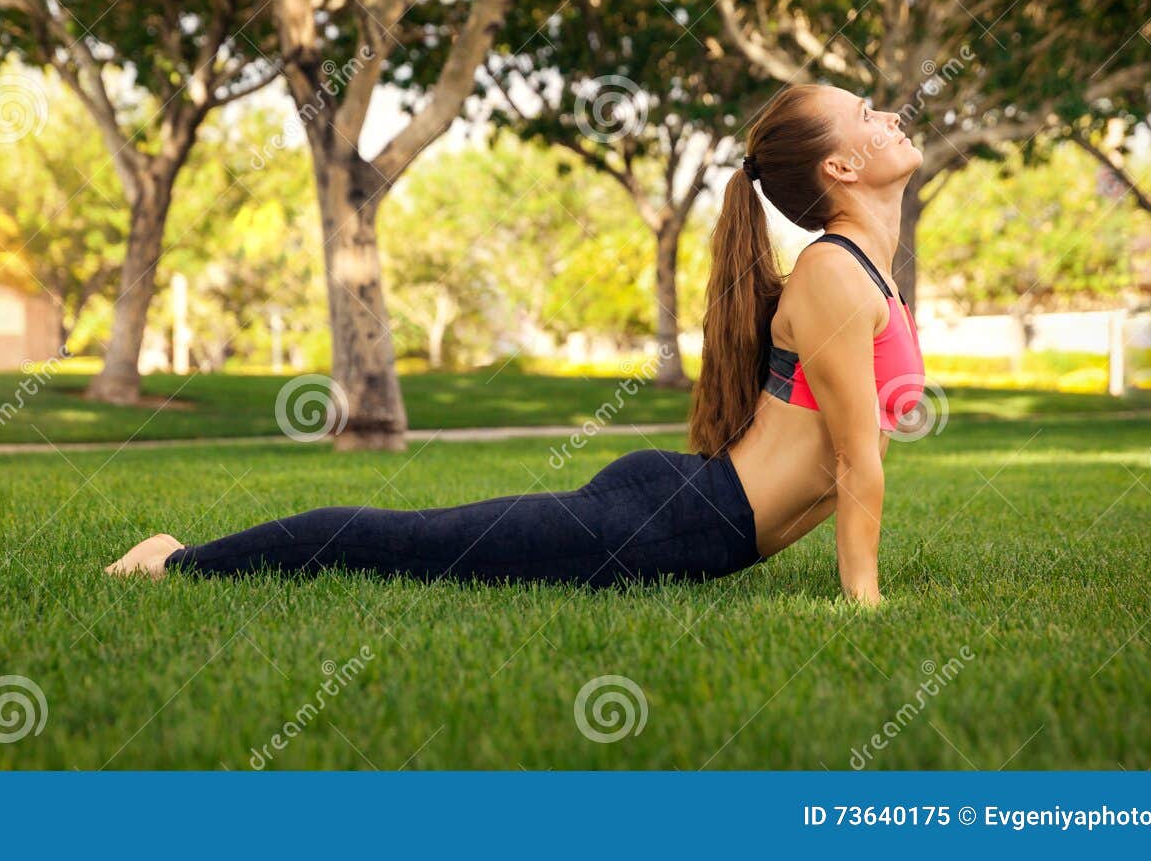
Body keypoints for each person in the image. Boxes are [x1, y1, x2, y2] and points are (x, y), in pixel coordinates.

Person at [106, 83, 926, 606]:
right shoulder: (832, 273)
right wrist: (864, 603)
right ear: (841, 166)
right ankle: (175, 563)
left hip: (687, 503)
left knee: (425, 542)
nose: (888, 116)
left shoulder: (862, 273)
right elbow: (856, 458)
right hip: (674, 524)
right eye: (865, 114)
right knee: (415, 542)